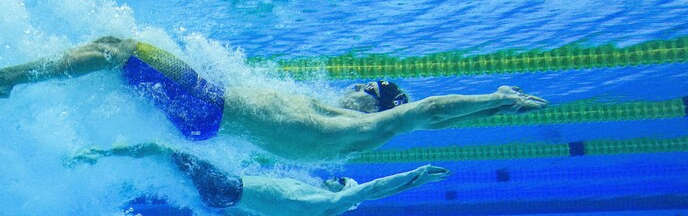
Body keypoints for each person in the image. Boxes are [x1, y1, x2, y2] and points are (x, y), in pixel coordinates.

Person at [0, 36, 547, 161]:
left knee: (117, 48)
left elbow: (428, 113)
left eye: (368, 90)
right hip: (206, 115)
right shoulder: (336, 122)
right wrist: (492, 108)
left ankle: (8, 79)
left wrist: (494, 96)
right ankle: (16, 89)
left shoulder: (352, 133)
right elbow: (430, 124)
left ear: (381, 108)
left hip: (205, 106)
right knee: (112, 54)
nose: (354, 88)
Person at [68, 141, 450, 215]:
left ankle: (96, 154)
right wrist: (349, 188)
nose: (334, 181)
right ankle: (108, 171)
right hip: (224, 196)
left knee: (162, 147)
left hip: (225, 189)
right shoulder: (325, 207)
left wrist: (411, 177)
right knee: (166, 160)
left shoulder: (321, 204)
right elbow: (354, 192)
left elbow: (368, 190)